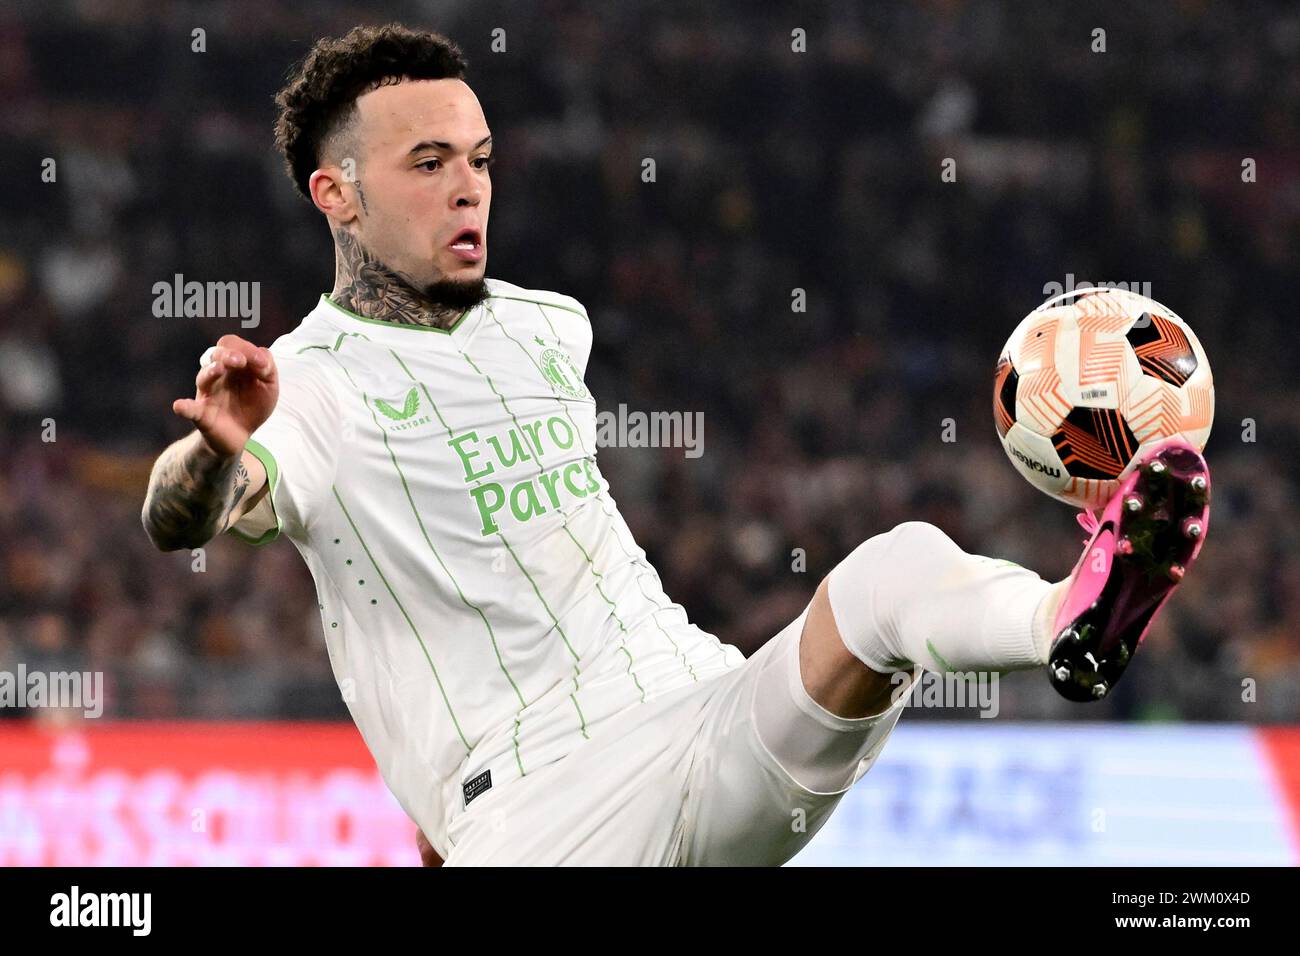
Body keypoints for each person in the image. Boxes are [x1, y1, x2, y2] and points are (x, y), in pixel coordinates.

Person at [141, 24, 1212, 866]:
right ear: (337, 194)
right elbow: (172, 514)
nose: (468, 185)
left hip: (706, 713)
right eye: (427, 163)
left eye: (478, 157)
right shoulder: (309, 380)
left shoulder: (547, 324)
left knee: (896, 566)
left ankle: (1067, 615)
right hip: (542, 806)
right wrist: (213, 449)